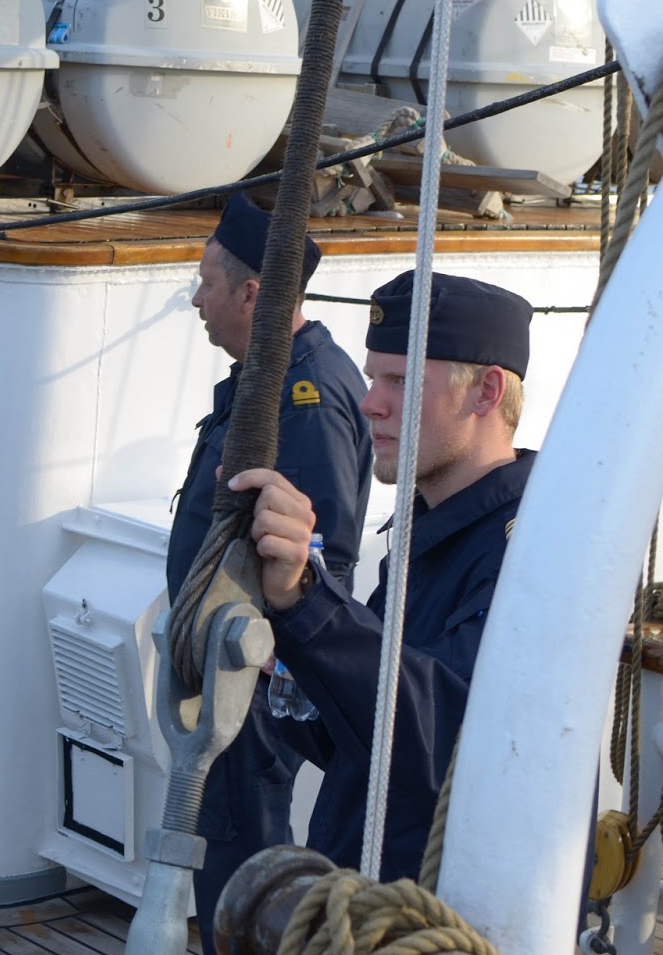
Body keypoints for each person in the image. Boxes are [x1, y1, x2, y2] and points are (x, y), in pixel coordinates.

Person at [231, 269, 534, 881]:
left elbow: (447, 742)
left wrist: (307, 605)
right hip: (367, 900)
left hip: (436, 912)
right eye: (374, 378)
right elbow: (350, 742)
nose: (371, 402)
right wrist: (290, 646)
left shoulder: (528, 554)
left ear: (486, 392)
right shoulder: (428, 535)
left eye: (401, 380)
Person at [169, 191, 372, 952]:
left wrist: (257, 669)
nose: (197, 300)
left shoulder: (307, 399)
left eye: (207, 283)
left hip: (249, 689)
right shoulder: (271, 379)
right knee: (222, 850)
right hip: (222, 672)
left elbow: (322, 556)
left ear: (252, 293)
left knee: (243, 863)